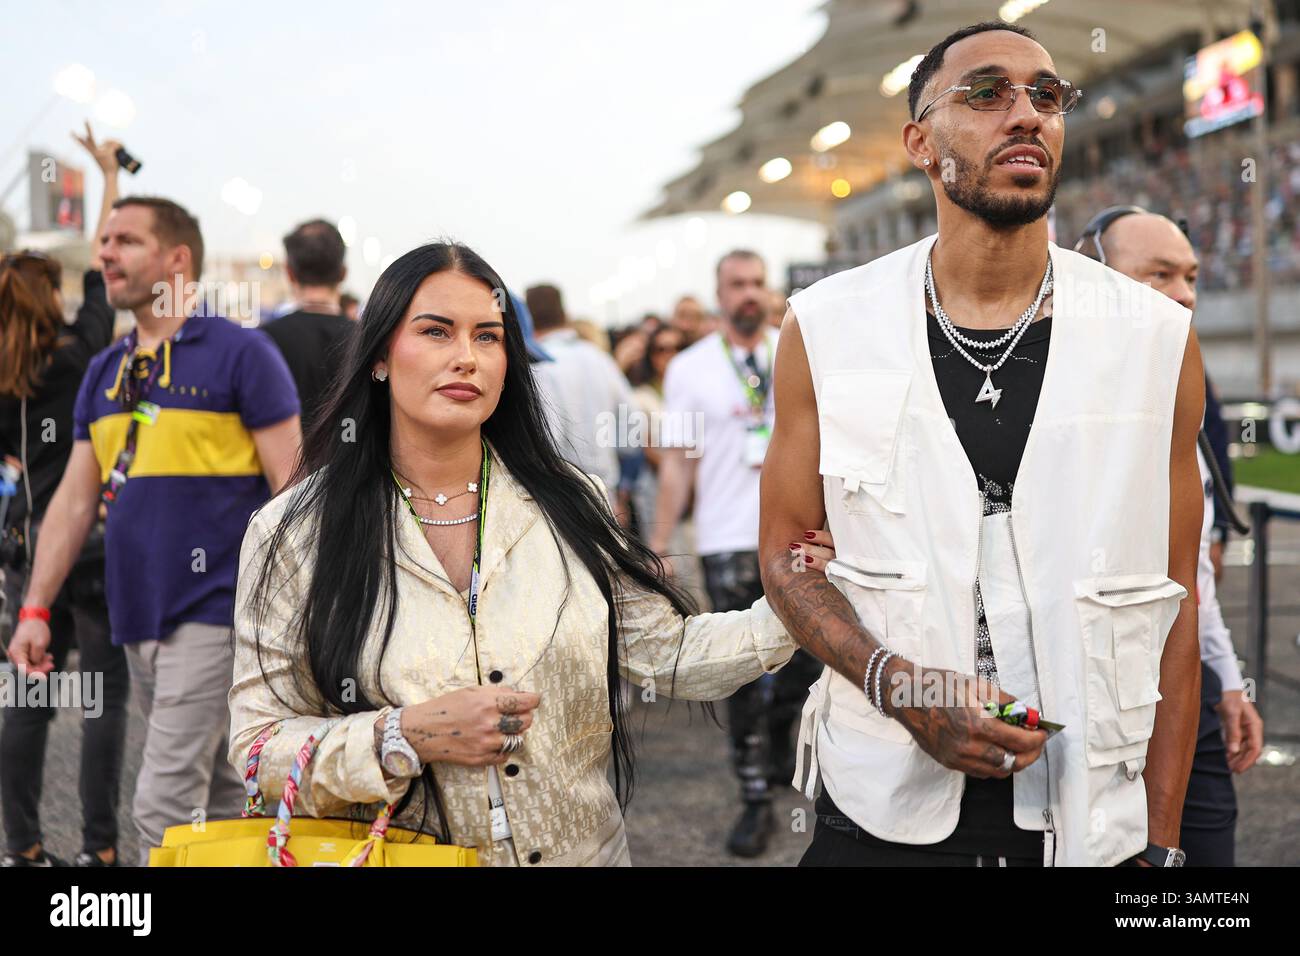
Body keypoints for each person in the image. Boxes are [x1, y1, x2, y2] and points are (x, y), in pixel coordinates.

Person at [760, 21, 1204, 867]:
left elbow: (1176, 601)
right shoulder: (825, 326)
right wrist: (906, 688)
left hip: (1087, 814)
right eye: (987, 93)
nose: (1027, 114)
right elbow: (785, 557)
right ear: (921, 144)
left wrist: (1164, 842)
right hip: (879, 804)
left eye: (1046, 95)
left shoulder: (1154, 339)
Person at [226, 241, 824, 867]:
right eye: (436, 331)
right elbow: (256, 746)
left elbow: (667, 654)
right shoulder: (296, 532)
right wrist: (404, 736)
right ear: (380, 354)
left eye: (488, 337)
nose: (466, 358)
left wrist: (803, 598)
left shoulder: (571, 503)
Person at [6, 191, 302, 866]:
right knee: (225, 794)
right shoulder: (105, 372)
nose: (105, 252)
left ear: (177, 258)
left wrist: (299, 618)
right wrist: (33, 606)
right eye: (104, 241)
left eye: (126, 241)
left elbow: (294, 490)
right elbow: (75, 504)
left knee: (162, 807)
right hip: (134, 617)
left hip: (216, 612)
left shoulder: (240, 353)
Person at [1074, 206, 1264, 865]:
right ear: (1090, 275)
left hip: (1188, 689)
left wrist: (1227, 678)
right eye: (1159, 275)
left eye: (1190, 276)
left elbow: (1195, 568)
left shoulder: (1191, 380)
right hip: (1083, 705)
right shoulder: (1036, 392)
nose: (1184, 294)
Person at [649, 249, 822, 858]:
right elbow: (677, 463)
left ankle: (778, 754)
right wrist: (662, 540)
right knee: (744, 674)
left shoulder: (797, 347)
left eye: (757, 282)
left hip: (797, 537)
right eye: (737, 285)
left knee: (805, 661)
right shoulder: (690, 368)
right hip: (726, 539)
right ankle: (753, 797)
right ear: (719, 294)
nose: (748, 293)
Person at [0, 124, 129, 868]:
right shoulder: (82, 349)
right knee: (103, 698)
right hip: (92, 540)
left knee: (28, 701)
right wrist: (107, 175)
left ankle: (22, 847)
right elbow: (101, 254)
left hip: (25, 548)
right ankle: (101, 850)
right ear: (50, 297)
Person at [528, 283, 636, 513]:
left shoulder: (538, 364)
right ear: (565, 314)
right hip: (606, 494)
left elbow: (548, 439)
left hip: (561, 499)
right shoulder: (598, 357)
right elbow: (631, 419)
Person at [260, 219, 353, 430]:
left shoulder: (263, 341)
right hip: (349, 460)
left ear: (290, 273)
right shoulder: (366, 340)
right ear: (343, 273)